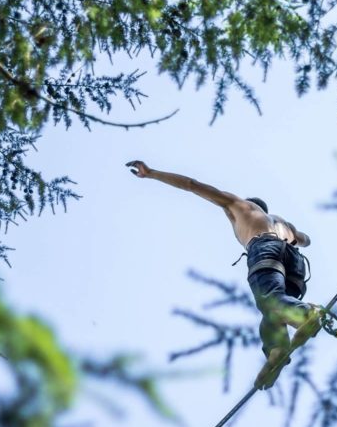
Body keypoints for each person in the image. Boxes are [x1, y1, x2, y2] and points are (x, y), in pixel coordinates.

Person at [126, 160, 322, 389]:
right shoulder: (282, 222)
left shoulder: (239, 206)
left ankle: (306, 314)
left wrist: (151, 173)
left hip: (265, 249)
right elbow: (305, 240)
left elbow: (191, 184)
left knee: (270, 301)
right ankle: (277, 351)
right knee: (272, 310)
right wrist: (291, 234)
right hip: (295, 263)